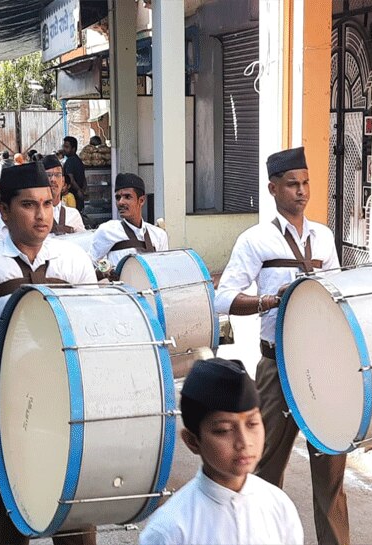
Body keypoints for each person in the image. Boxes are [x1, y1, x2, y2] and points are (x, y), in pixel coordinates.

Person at [0, 162, 97, 545]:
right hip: (4, 413)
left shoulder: (73, 261)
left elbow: (94, 333)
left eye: (46, 203)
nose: (41, 215)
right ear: (3, 209)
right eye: (29, 205)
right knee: (9, 525)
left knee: (76, 524)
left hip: (67, 412)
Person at [213, 146, 348, 545]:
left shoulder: (323, 237)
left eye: (306, 183)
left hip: (324, 368)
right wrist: (270, 301)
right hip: (278, 368)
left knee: (331, 472)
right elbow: (223, 298)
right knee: (264, 469)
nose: (301, 191)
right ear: (273, 188)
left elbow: (337, 291)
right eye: (292, 184)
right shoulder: (255, 240)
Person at [139, 358, 303, 545]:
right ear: (192, 441)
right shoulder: (170, 529)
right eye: (224, 430)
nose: (244, 442)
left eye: (252, 424)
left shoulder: (279, 507)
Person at [89, 173, 167, 273]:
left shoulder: (159, 235)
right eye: (118, 197)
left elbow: (163, 270)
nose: (121, 202)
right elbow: (91, 263)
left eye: (127, 197)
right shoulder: (107, 231)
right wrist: (107, 271)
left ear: (141, 200)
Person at [42, 156, 85, 235]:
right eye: (48, 175)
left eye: (57, 175)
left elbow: (81, 242)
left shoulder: (73, 214)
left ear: (63, 180)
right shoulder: (36, 215)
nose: (53, 179)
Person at [61, 136, 87, 210]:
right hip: (79, 196)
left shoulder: (70, 161)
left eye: (67, 147)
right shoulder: (79, 160)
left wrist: (79, 190)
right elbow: (84, 179)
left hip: (73, 196)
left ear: (73, 149)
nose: (64, 149)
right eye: (63, 146)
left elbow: (71, 179)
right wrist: (83, 191)